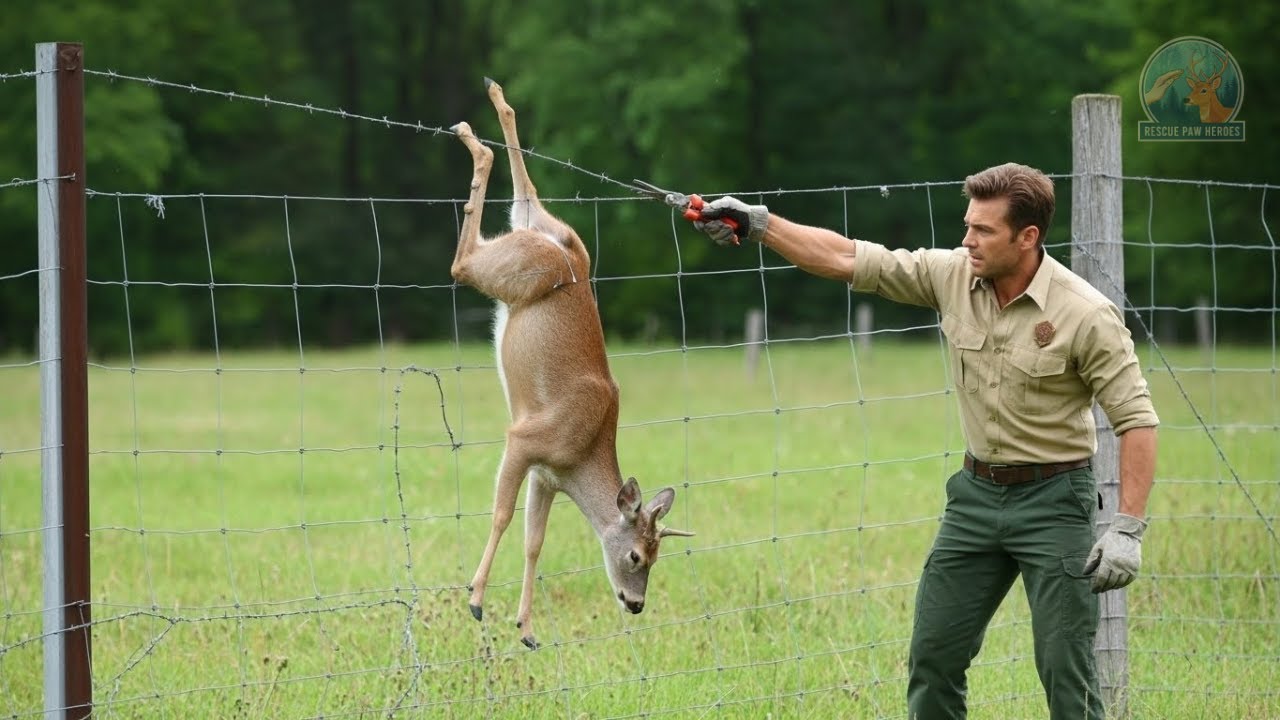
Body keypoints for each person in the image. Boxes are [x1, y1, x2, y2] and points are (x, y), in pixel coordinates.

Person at [691, 163, 1158, 719]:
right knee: (933, 658)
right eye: (968, 225)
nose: (967, 240)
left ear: (1027, 237)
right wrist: (760, 224)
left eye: (984, 230)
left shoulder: (1085, 314)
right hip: (975, 499)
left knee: (1066, 670)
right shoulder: (951, 274)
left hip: (1056, 502)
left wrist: (1127, 529)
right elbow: (848, 258)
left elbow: (1137, 420)